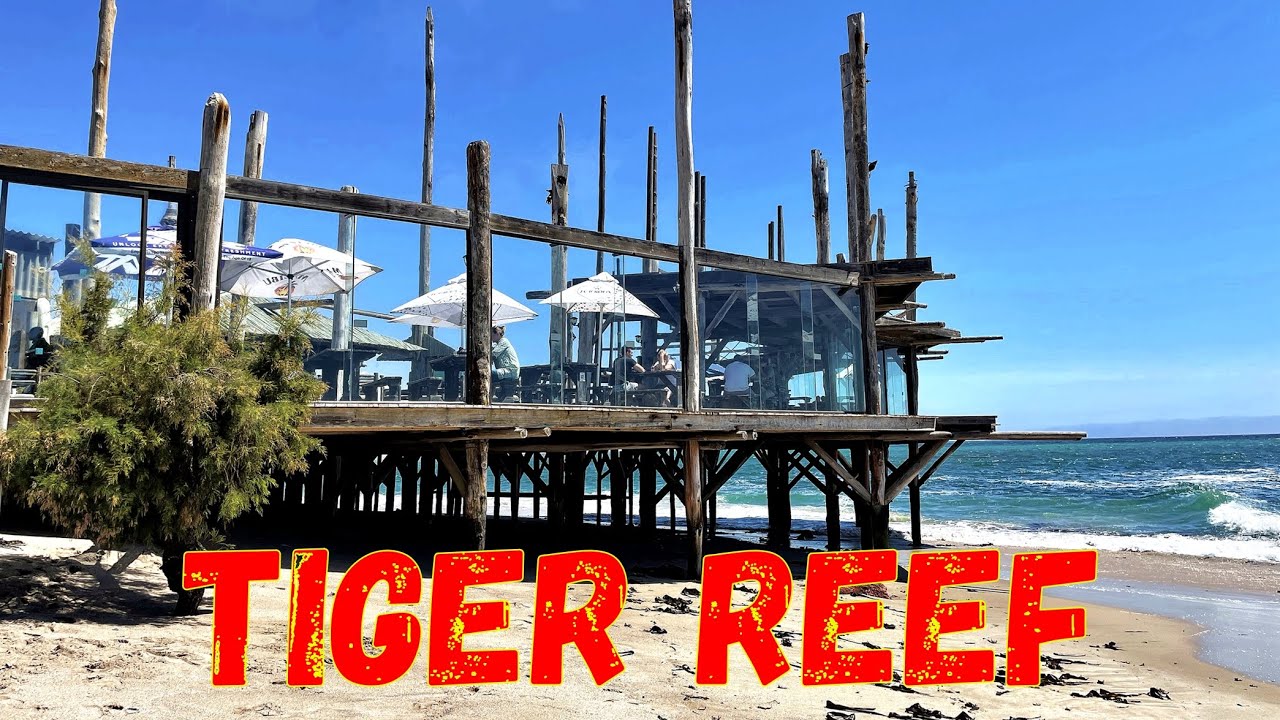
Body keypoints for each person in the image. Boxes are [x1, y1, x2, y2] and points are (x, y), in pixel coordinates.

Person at [490, 326, 520, 401]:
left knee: (488, 375)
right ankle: (491, 396)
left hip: (510, 371)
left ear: (497, 334)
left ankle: (490, 396)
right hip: (506, 370)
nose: (490, 337)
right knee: (489, 374)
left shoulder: (504, 341)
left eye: (492, 335)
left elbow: (493, 354)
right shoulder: (497, 344)